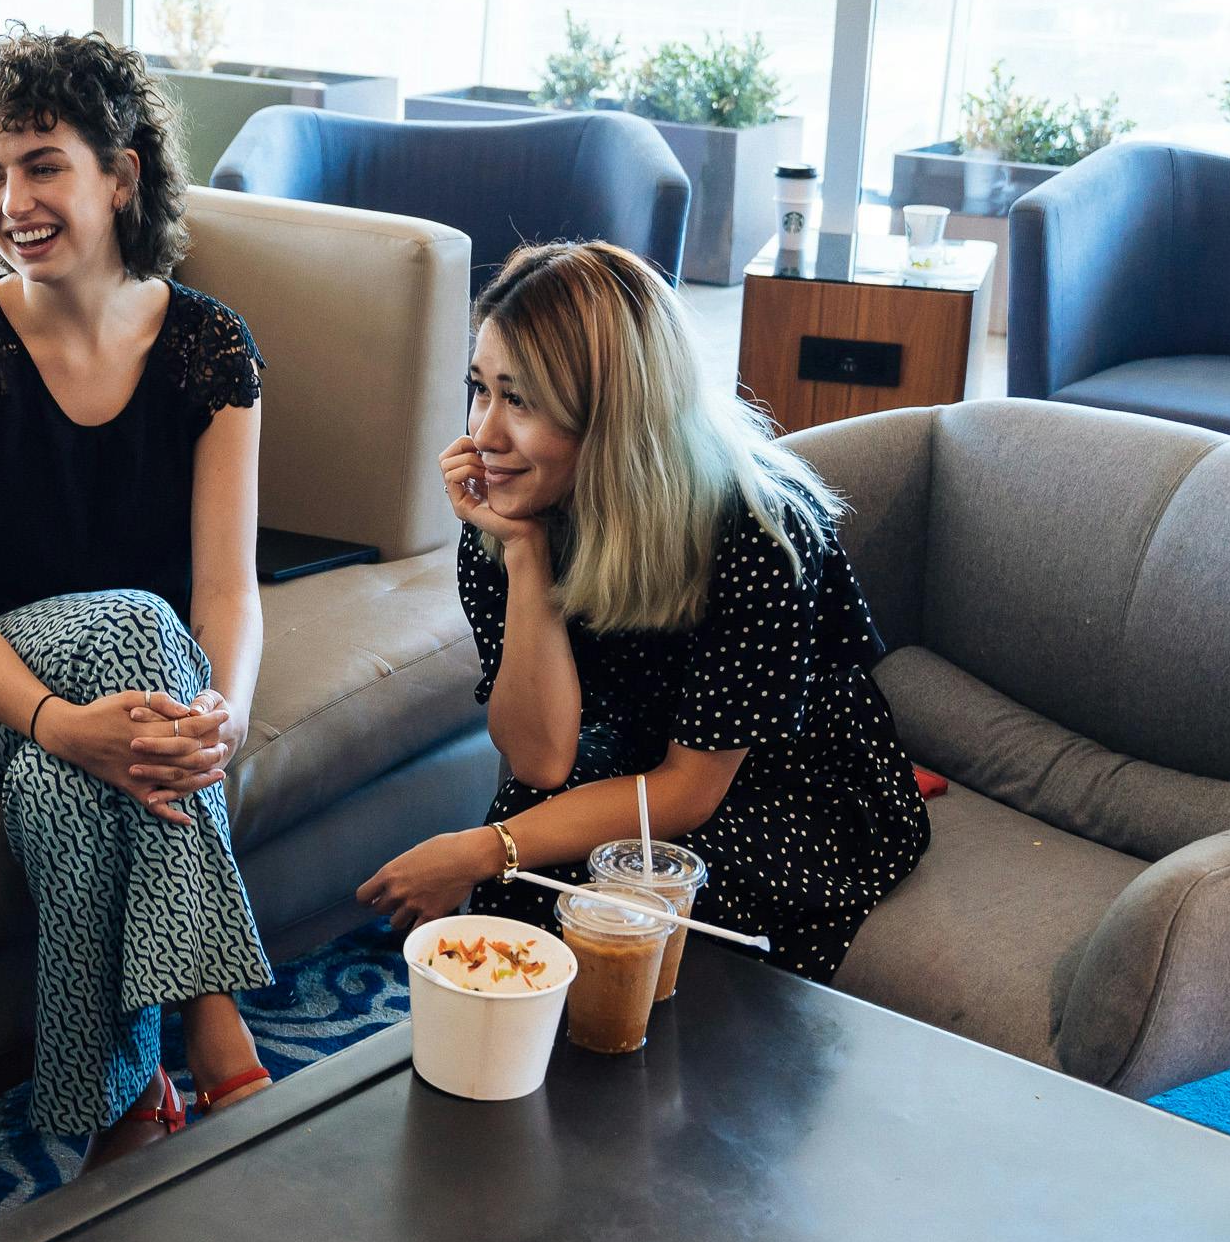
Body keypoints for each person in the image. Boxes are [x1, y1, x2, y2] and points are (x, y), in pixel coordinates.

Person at [0, 25, 273, 1166]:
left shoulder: (212, 351)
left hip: (132, 707)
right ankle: (212, 1016)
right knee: (134, 625)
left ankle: (113, 1120)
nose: (11, 200)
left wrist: (224, 715)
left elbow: (228, 592)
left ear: (121, 174)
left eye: (41, 163)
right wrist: (60, 721)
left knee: (64, 799)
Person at [354, 239, 929, 975]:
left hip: (789, 784)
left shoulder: (758, 533)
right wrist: (526, 559)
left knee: (621, 919)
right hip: (633, 753)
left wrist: (480, 847)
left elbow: (690, 790)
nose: (485, 434)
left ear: (612, 414)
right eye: (482, 387)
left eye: (520, 399)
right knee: (525, 898)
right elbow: (540, 757)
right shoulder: (506, 520)